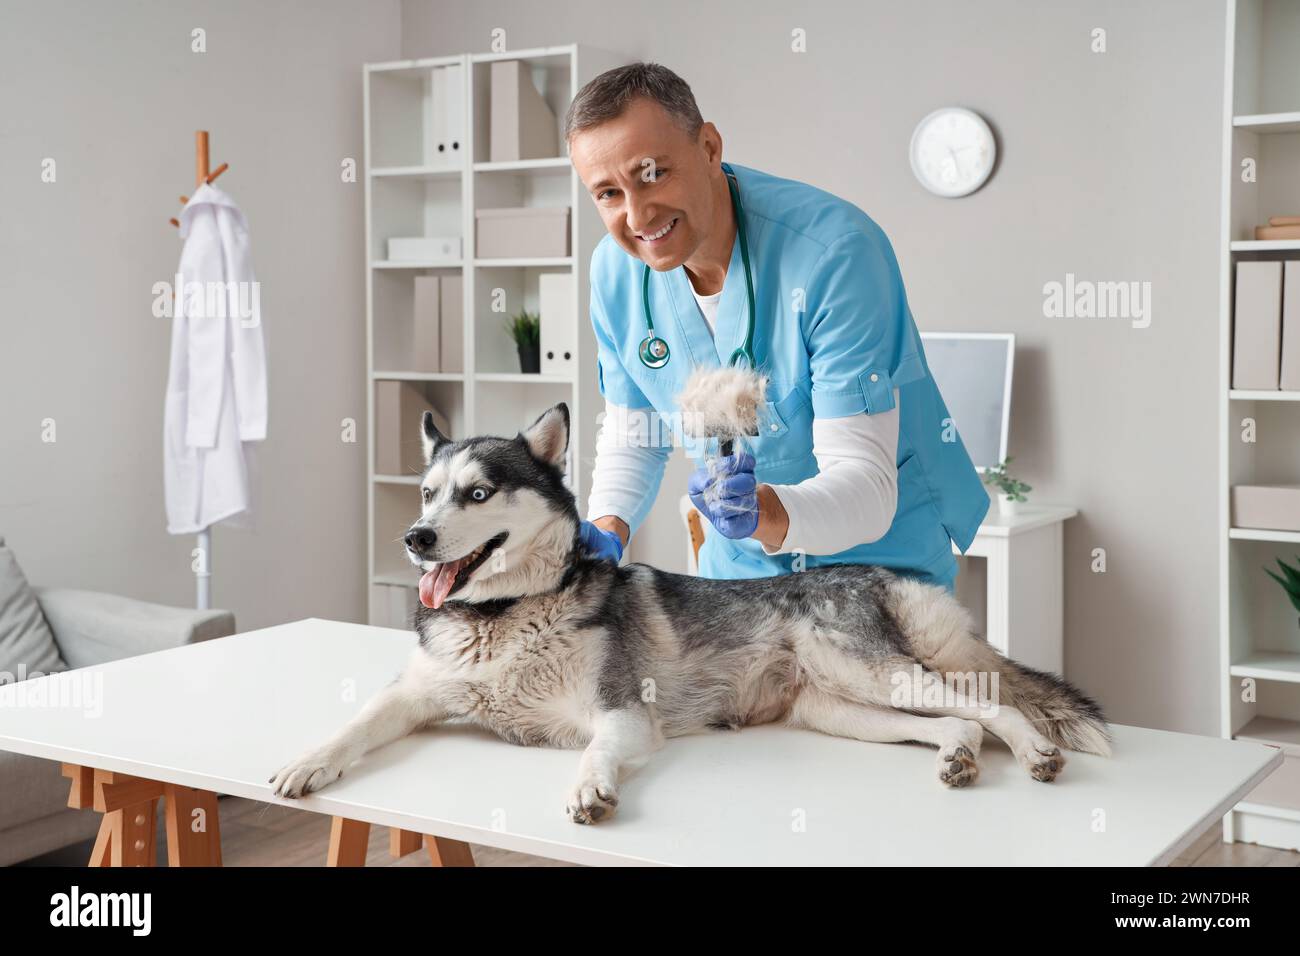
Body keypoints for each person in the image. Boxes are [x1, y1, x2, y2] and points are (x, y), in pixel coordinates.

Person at [565, 63, 987, 593]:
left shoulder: (834, 255)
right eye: (607, 193)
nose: (638, 215)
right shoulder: (615, 271)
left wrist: (760, 511)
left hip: (879, 574)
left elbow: (865, 485)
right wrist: (607, 528)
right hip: (741, 575)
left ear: (710, 148)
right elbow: (636, 432)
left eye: (652, 174)